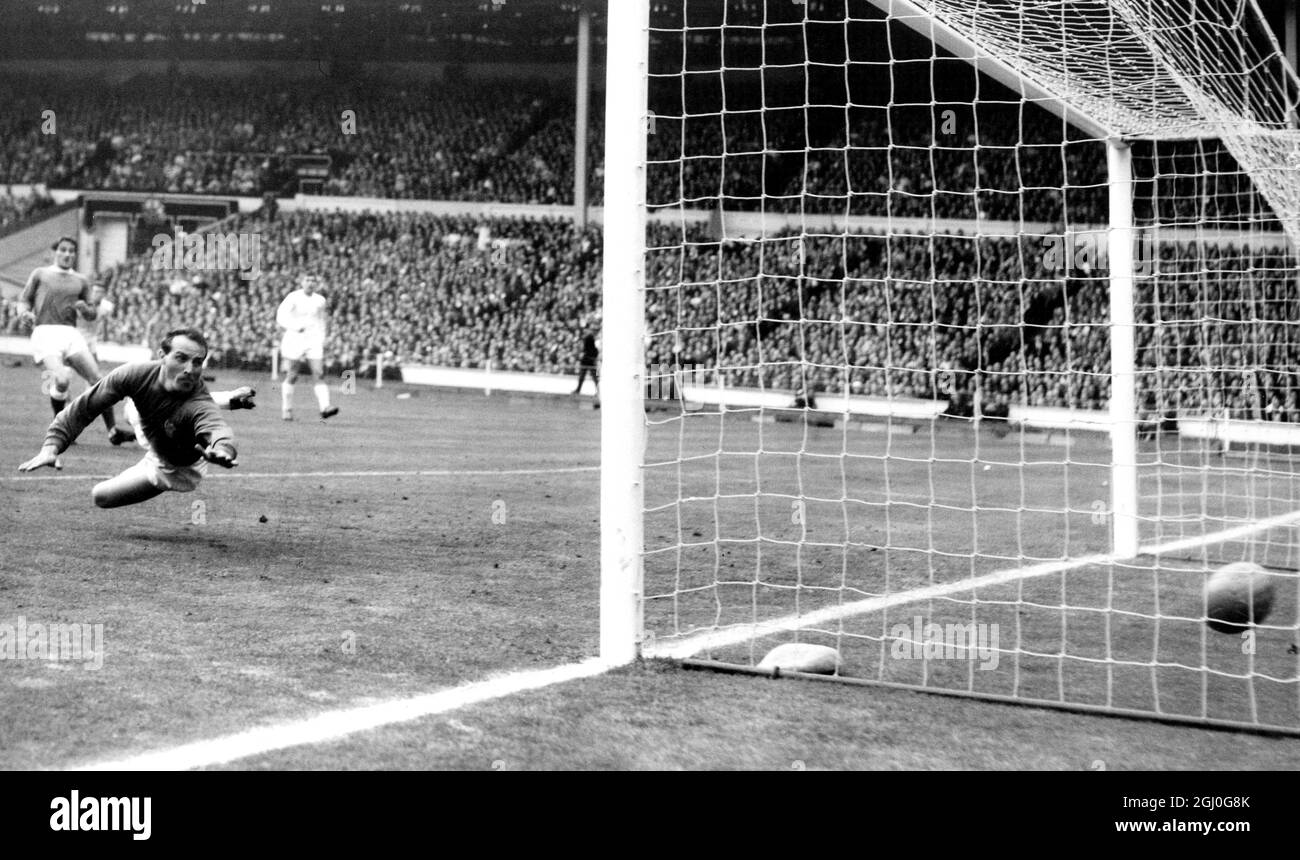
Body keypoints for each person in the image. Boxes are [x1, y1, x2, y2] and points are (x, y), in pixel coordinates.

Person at [17, 328, 248, 509]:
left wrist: (223, 450)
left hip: (176, 468)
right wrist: (51, 446)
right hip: (156, 436)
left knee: (101, 496)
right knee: (134, 409)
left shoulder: (199, 403)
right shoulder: (133, 374)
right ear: (162, 356)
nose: (190, 368)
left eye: (197, 362)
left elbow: (218, 429)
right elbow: (84, 407)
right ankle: (226, 401)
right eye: (181, 358)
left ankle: (224, 402)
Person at [16, 237, 133, 445]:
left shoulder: (81, 280)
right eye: (63, 250)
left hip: (70, 333)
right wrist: (24, 313)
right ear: (55, 252)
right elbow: (24, 300)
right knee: (61, 379)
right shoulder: (40, 274)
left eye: (72, 251)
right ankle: (59, 428)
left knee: (99, 381)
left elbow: (90, 314)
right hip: (45, 331)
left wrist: (84, 308)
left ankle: (112, 431)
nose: (68, 254)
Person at [276, 274, 338, 421]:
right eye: (308, 280)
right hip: (294, 339)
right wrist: (295, 327)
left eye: (313, 280)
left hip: (313, 341)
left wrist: (322, 338)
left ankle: (325, 407)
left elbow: (322, 320)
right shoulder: (293, 297)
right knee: (293, 375)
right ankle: (287, 409)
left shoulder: (320, 300)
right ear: (302, 282)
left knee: (319, 373)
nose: (310, 283)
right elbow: (280, 316)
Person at [573, 331, 599, 396]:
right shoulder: (594, 349)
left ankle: (578, 390)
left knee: (583, 377)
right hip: (590, 363)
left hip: (586, 362)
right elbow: (594, 355)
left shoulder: (588, 349)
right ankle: (598, 391)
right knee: (594, 378)